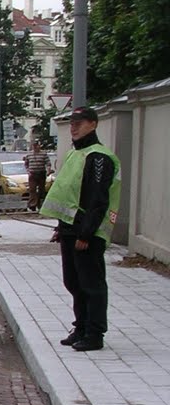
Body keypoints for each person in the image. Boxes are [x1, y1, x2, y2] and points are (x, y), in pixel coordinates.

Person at [41, 106, 121, 352]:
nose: (74, 127)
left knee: (91, 283)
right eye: (72, 122)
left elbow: (97, 200)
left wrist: (86, 234)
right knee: (73, 282)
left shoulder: (98, 157)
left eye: (80, 122)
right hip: (70, 229)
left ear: (93, 124)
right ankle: (81, 327)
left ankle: (95, 333)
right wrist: (61, 226)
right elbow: (69, 194)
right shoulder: (76, 154)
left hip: (87, 233)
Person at [26, 144, 50, 212]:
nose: (36, 147)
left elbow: (48, 163)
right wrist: (28, 171)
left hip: (41, 173)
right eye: (34, 145)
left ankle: (40, 205)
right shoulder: (29, 154)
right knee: (32, 189)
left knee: (41, 190)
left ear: (39, 146)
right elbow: (26, 163)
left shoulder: (44, 154)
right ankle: (32, 205)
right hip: (32, 174)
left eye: (37, 145)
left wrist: (48, 170)